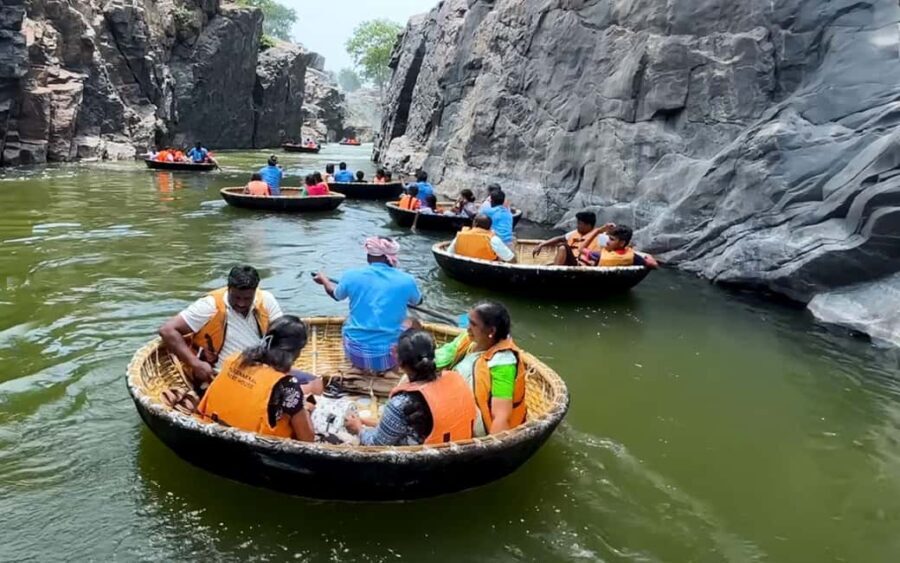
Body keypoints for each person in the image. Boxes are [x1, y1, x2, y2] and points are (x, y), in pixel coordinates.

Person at [345, 329, 476, 445]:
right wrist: (365, 421)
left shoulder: (400, 404)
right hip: (454, 450)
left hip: (422, 463)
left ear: (401, 363)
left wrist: (358, 428)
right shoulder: (455, 379)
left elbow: (376, 444)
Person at [158, 266, 284, 386]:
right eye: (236, 297)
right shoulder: (209, 306)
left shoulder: (266, 300)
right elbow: (167, 330)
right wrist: (195, 364)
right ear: (228, 289)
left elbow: (283, 334)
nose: (241, 303)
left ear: (255, 291)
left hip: (263, 371)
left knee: (302, 381)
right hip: (223, 376)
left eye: (247, 298)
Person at [197, 316, 315, 441]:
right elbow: (307, 439)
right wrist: (306, 409)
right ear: (295, 353)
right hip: (255, 450)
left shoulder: (236, 359)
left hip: (211, 433)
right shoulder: (288, 385)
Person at [313, 237, 422, 373]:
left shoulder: (351, 275)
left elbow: (335, 294)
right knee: (413, 322)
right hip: (388, 358)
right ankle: (396, 369)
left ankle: (357, 366)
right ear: (391, 257)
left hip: (356, 355)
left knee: (348, 320)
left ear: (369, 256)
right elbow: (417, 301)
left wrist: (324, 280)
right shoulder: (407, 280)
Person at [435, 302, 526, 436]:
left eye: (473, 324)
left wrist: (493, 445)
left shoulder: (503, 363)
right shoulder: (469, 339)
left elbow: (501, 416)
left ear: (491, 331)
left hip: (480, 422)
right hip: (456, 402)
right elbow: (440, 357)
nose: (467, 328)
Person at [531, 211, 612, 266]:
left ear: (588, 225)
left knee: (563, 247)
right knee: (561, 245)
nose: (577, 225)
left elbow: (611, 249)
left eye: (580, 223)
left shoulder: (601, 237)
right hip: (569, 262)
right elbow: (559, 238)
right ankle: (555, 268)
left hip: (582, 265)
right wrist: (542, 244)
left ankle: (554, 272)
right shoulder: (575, 233)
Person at [582, 225, 660, 268]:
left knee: (583, 258)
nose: (608, 241)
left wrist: (597, 231)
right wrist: (647, 257)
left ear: (622, 243)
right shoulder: (633, 257)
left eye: (611, 239)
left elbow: (581, 249)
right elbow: (654, 264)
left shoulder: (599, 256)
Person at [447, 214, 516, 262]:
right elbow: (509, 258)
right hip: (486, 269)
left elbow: (449, 252)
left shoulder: (460, 236)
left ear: (475, 224)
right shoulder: (493, 239)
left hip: (463, 265)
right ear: (489, 227)